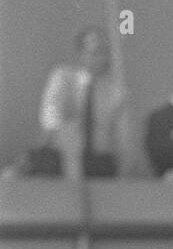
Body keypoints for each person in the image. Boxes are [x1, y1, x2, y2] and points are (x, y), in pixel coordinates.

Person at [33, 27, 132, 178]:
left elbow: (123, 138)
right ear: (81, 54)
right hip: (62, 156)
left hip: (99, 163)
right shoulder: (63, 77)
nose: (103, 58)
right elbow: (50, 115)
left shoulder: (117, 92)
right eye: (96, 52)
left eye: (106, 52)